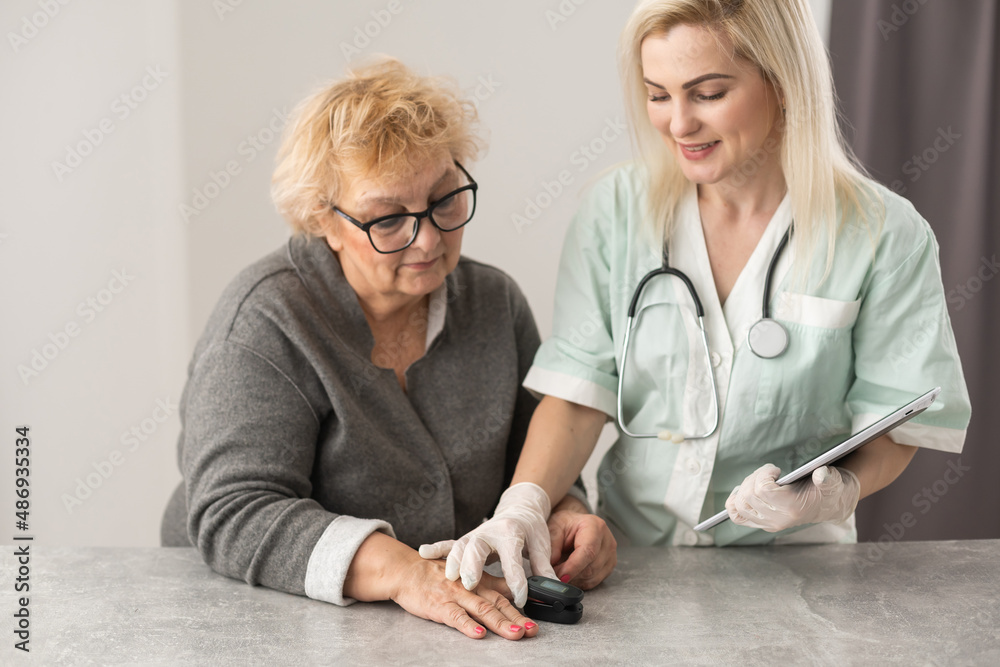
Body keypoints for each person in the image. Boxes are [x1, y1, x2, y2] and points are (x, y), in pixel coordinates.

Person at [426, 0, 971, 594]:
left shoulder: (884, 233)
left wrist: (834, 493)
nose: (678, 124)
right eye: (658, 95)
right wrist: (523, 504)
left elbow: (895, 420)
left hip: (798, 575)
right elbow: (580, 394)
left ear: (783, 82)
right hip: (630, 568)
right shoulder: (615, 212)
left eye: (708, 93)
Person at [160, 57, 615, 640]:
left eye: (444, 200)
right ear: (323, 219)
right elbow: (234, 511)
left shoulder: (493, 302)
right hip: (258, 624)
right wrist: (404, 572)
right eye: (388, 219)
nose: (427, 240)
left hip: (447, 634)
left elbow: (537, 460)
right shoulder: (266, 318)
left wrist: (565, 515)